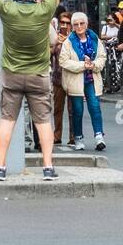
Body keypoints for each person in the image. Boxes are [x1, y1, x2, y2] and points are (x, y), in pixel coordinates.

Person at [0, 0, 61, 181]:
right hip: (38, 75)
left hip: (11, 74)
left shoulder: (8, 10)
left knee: (7, 121)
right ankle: (48, 166)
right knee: (43, 121)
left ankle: (0, 167)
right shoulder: (44, 11)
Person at [60, 11, 107, 151]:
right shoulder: (68, 42)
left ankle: (99, 137)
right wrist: (82, 66)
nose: (79, 26)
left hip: (91, 78)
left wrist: (93, 65)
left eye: (82, 23)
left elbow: (102, 57)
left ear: (86, 24)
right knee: (78, 110)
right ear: (73, 26)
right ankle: (78, 138)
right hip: (76, 81)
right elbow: (63, 61)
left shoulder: (94, 39)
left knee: (95, 107)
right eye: (76, 24)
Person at [50, 9, 74, 146]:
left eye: (67, 23)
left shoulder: (74, 38)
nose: (64, 25)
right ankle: (57, 135)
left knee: (72, 109)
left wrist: (67, 42)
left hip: (71, 78)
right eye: (62, 23)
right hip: (58, 78)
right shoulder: (56, 37)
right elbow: (50, 54)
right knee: (58, 109)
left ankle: (73, 136)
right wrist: (55, 44)